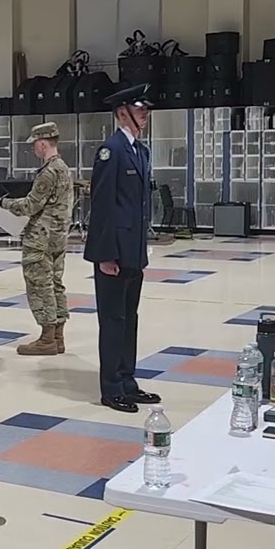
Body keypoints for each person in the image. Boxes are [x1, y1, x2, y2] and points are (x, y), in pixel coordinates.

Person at [85, 83, 163, 413]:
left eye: (145, 109)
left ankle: (127, 381)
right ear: (122, 113)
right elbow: (102, 207)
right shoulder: (111, 150)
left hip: (133, 250)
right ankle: (111, 387)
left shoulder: (139, 151)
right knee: (113, 320)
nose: (145, 114)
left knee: (129, 318)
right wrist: (104, 255)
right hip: (113, 253)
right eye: (139, 109)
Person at [0, 122, 75, 356]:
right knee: (56, 284)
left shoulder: (48, 172)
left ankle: (47, 338)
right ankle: (58, 337)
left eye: (35, 145)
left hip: (40, 239)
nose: (34, 150)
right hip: (58, 238)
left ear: (42, 143)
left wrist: (2, 203)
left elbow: (30, 205)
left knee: (40, 285)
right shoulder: (65, 169)